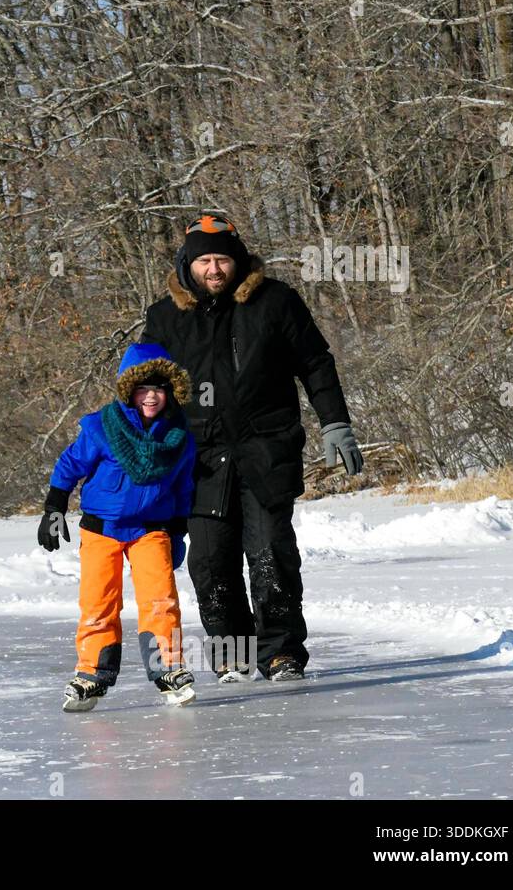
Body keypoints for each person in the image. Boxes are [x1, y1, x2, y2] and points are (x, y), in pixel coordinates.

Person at [141, 215, 363, 683]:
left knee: (269, 554)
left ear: (238, 261)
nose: (214, 268)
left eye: (222, 258)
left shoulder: (275, 301)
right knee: (209, 561)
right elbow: (144, 389)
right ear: (188, 265)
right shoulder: (165, 317)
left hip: (266, 448)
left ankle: (281, 652)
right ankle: (232, 655)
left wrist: (335, 422)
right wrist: (140, 447)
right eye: (204, 260)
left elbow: (315, 363)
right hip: (199, 459)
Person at [39, 343, 197, 711]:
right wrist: (54, 508)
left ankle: (168, 669)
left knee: (161, 600)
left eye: (159, 388)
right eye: (144, 388)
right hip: (101, 529)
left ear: (171, 391)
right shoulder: (101, 427)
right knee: (98, 601)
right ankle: (92, 673)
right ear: (129, 391)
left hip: (151, 529)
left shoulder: (179, 439)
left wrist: (177, 532)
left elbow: (183, 487)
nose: (152, 396)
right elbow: (70, 465)